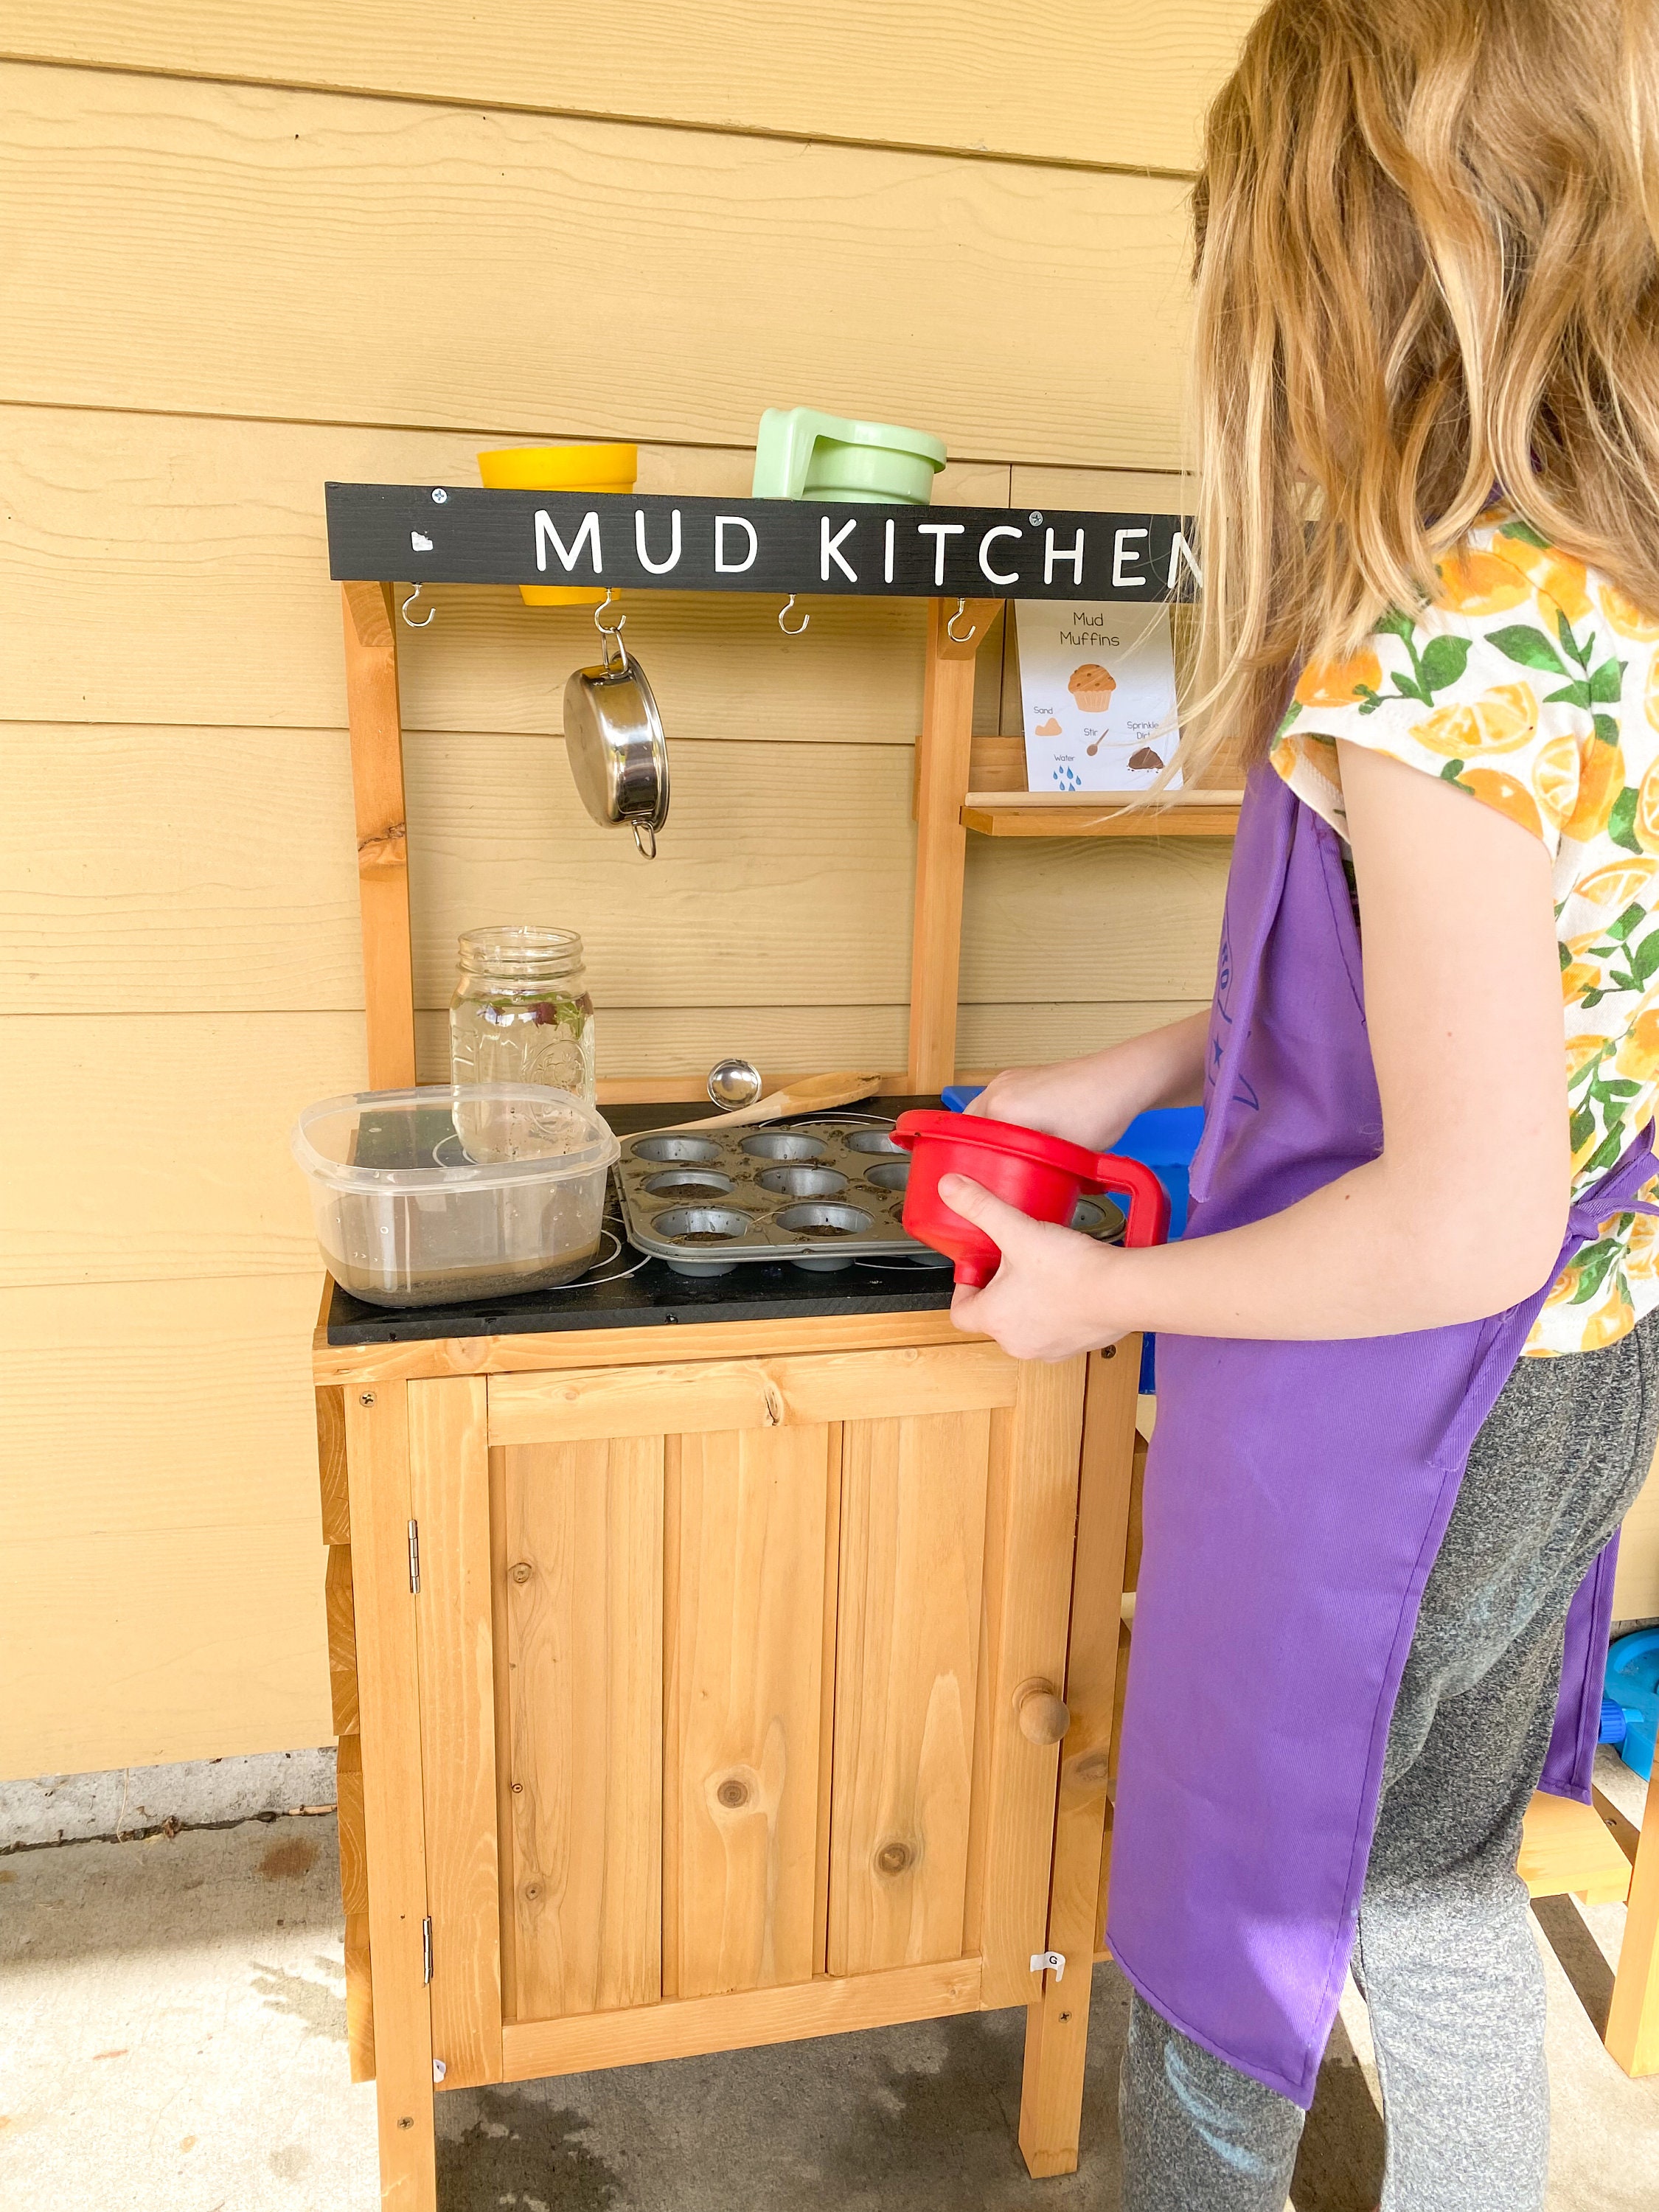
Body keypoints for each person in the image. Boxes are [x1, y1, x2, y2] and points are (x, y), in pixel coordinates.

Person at [942, 4, 1659, 2206]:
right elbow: (1517, 1005)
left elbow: (1456, 1216)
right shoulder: (1601, 609)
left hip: (1404, 1403)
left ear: (1322, 284)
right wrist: (1140, 1065)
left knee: (1223, 1924)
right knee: (1434, 1879)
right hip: (1586, 1377)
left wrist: (1097, 1294)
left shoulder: (1427, 656)